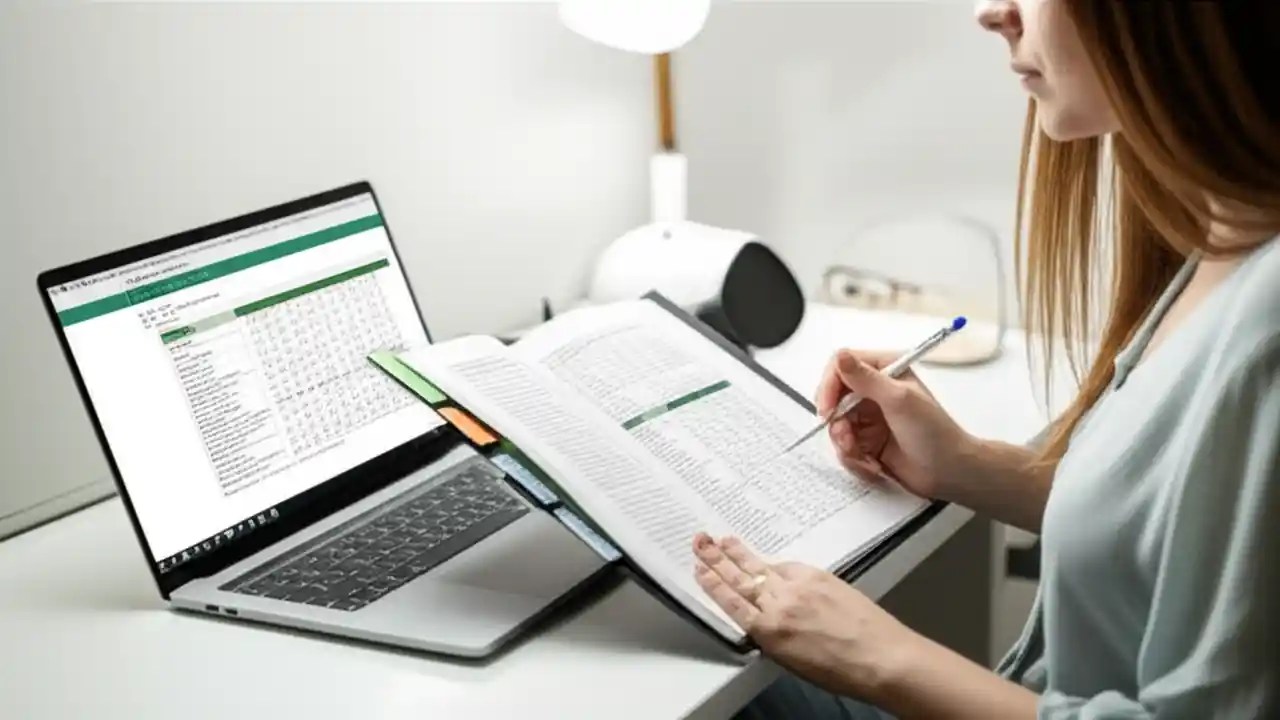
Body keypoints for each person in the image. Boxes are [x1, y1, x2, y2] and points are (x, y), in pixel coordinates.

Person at [691, 1, 1280, 717]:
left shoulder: (1266, 316)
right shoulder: (1225, 241)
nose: (992, 12)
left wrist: (881, 657)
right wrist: (970, 467)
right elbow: (1184, 531)